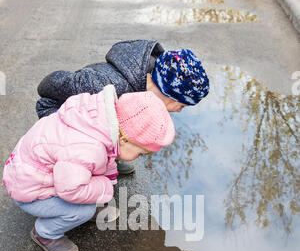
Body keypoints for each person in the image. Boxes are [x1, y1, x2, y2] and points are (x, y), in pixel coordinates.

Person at [2, 85, 175, 251]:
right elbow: (70, 190)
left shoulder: (98, 121)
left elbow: (105, 159)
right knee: (81, 210)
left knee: (88, 186)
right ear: (123, 138)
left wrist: (107, 179)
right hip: (29, 191)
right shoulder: (87, 150)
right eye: (140, 153)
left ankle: (85, 206)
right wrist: (105, 188)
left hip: (32, 172)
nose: (139, 157)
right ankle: (46, 234)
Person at [36, 40, 210, 174]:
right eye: (181, 106)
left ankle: (111, 156)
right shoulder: (106, 86)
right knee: (85, 156)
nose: (178, 111)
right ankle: (77, 173)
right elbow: (48, 86)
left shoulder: (144, 83)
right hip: (60, 117)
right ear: (170, 94)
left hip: (95, 124)